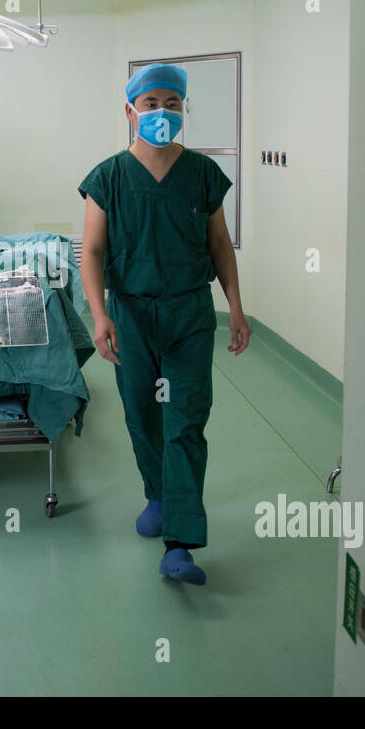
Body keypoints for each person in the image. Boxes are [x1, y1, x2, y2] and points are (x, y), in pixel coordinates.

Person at [78, 63, 251, 586]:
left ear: (183, 111)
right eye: (150, 104)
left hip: (189, 315)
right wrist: (100, 314)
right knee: (142, 416)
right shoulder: (107, 177)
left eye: (171, 104)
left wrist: (236, 305)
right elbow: (91, 250)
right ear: (130, 111)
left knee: (185, 421)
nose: (161, 113)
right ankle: (157, 493)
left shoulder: (202, 174)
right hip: (130, 315)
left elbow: (219, 244)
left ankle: (179, 543)